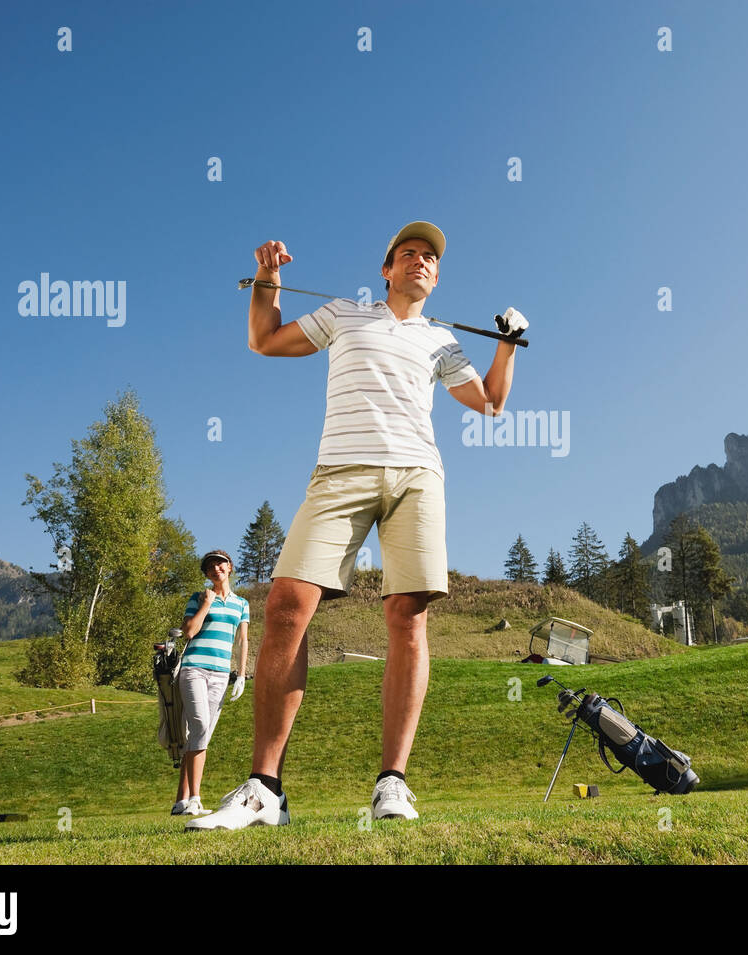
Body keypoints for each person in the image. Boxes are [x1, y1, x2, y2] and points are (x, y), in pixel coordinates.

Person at [186, 221, 527, 830]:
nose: (419, 261)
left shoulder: (444, 341)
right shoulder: (345, 314)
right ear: (387, 270)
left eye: (430, 258)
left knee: (408, 614)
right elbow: (264, 340)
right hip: (340, 469)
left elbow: (491, 404)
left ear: (436, 277)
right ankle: (266, 790)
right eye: (408, 254)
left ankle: (392, 783)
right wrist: (268, 282)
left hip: (417, 475)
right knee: (287, 605)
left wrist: (508, 345)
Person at [170, 549, 248, 816]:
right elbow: (189, 631)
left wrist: (240, 674)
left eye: (221, 564)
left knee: (200, 735)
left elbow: (242, 640)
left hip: (220, 675)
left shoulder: (241, 604)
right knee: (200, 727)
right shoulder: (198, 597)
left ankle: (181, 801)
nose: (217, 569)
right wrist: (206, 603)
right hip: (193, 669)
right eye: (211, 566)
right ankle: (195, 798)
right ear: (206, 573)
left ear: (230, 567)